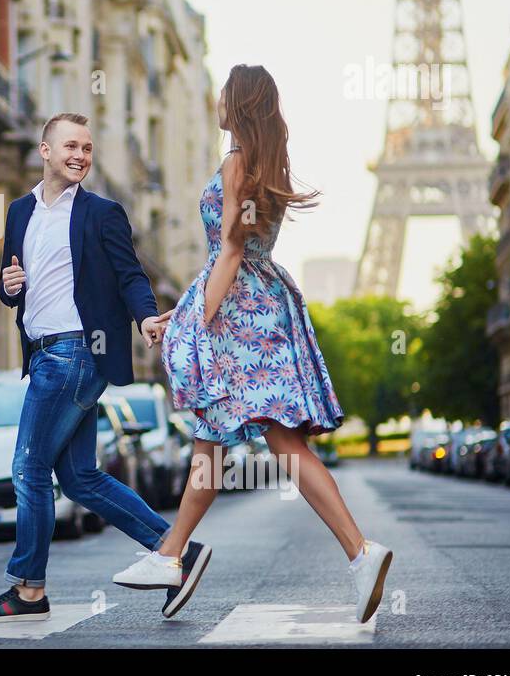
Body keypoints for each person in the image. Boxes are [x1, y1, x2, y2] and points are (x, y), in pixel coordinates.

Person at [110, 64, 393, 624]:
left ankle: (177, 557)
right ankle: (173, 555)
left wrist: (202, 321)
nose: (215, 101)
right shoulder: (266, 162)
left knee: (252, 442)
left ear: (236, 103)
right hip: (264, 305)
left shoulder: (236, 161)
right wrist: (186, 309)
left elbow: (231, 252)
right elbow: (234, 256)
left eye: (221, 94)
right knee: (233, 441)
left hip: (240, 317)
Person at [0, 112, 211, 623]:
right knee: (78, 477)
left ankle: (28, 589)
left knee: (29, 470)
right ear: (46, 151)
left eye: (88, 148)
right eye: (71, 147)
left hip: (75, 353)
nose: (80, 156)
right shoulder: (18, 213)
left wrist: (146, 316)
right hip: (42, 353)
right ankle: (177, 551)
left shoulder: (102, 213)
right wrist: (8, 288)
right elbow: (11, 283)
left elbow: (130, 275)